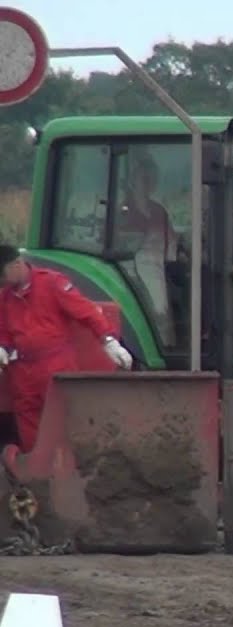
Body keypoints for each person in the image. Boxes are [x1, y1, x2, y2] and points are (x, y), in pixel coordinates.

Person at [0, 246, 133, 452]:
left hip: (55, 366)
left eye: (3, 275)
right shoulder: (5, 297)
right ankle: (38, 475)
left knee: (64, 419)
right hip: (22, 371)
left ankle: (69, 468)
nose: (3, 282)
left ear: (16, 264)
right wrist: (3, 349)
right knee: (29, 422)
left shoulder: (51, 283)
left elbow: (86, 311)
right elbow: (4, 330)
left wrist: (108, 340)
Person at [117, 151, 179, 346]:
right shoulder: (123, 212)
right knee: (157, 310)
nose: (149, 182)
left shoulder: (159, 211)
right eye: (144, 178)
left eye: (152, 178)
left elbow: (171, 250)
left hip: (158, 268)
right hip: (132, 271)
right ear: (134, 181)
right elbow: (127, 241)